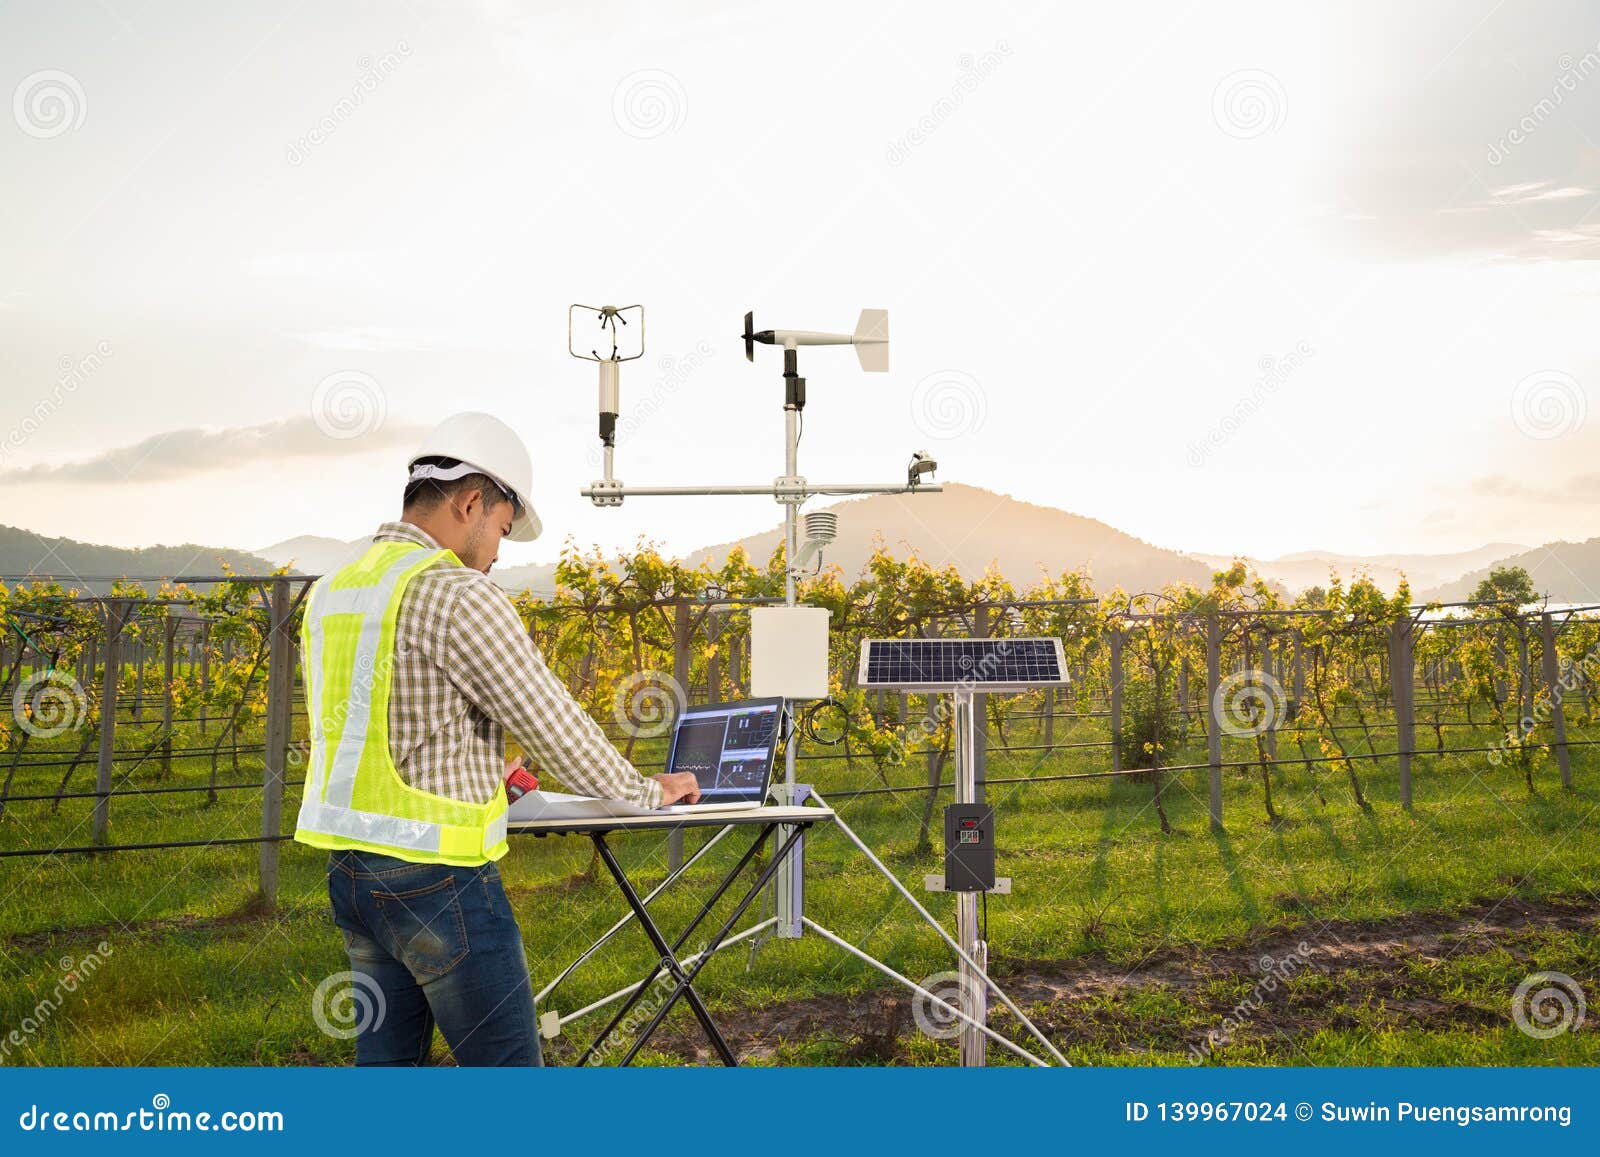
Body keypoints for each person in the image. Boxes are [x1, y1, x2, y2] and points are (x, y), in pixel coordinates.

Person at [293, 411, 700, 1065]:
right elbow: (554, 723)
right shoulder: (457, 593)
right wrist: (643, 790)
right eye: (502, 529)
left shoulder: (333, 590)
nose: (498, 552)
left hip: (353, 876)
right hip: (438, 881)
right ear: (472, 501)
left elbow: (374, 723)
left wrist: (481, 769)